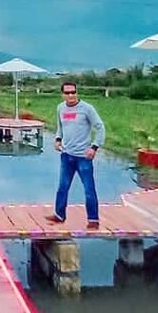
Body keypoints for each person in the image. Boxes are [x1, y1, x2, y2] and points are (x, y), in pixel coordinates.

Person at [47, 81, 105, 228]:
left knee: (89, 189)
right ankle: (59, 215)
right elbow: (60, 127)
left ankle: (93, 220)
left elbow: (100, 127)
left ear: (77, 92)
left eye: (73, 92)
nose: (71, 95)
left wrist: (94, 147)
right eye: (67, 93)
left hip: (83, 157)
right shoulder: (60, 108)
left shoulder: (87, 109)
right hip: (67, 155)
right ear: (62, 95)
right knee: (62, 187)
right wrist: (58, 139)